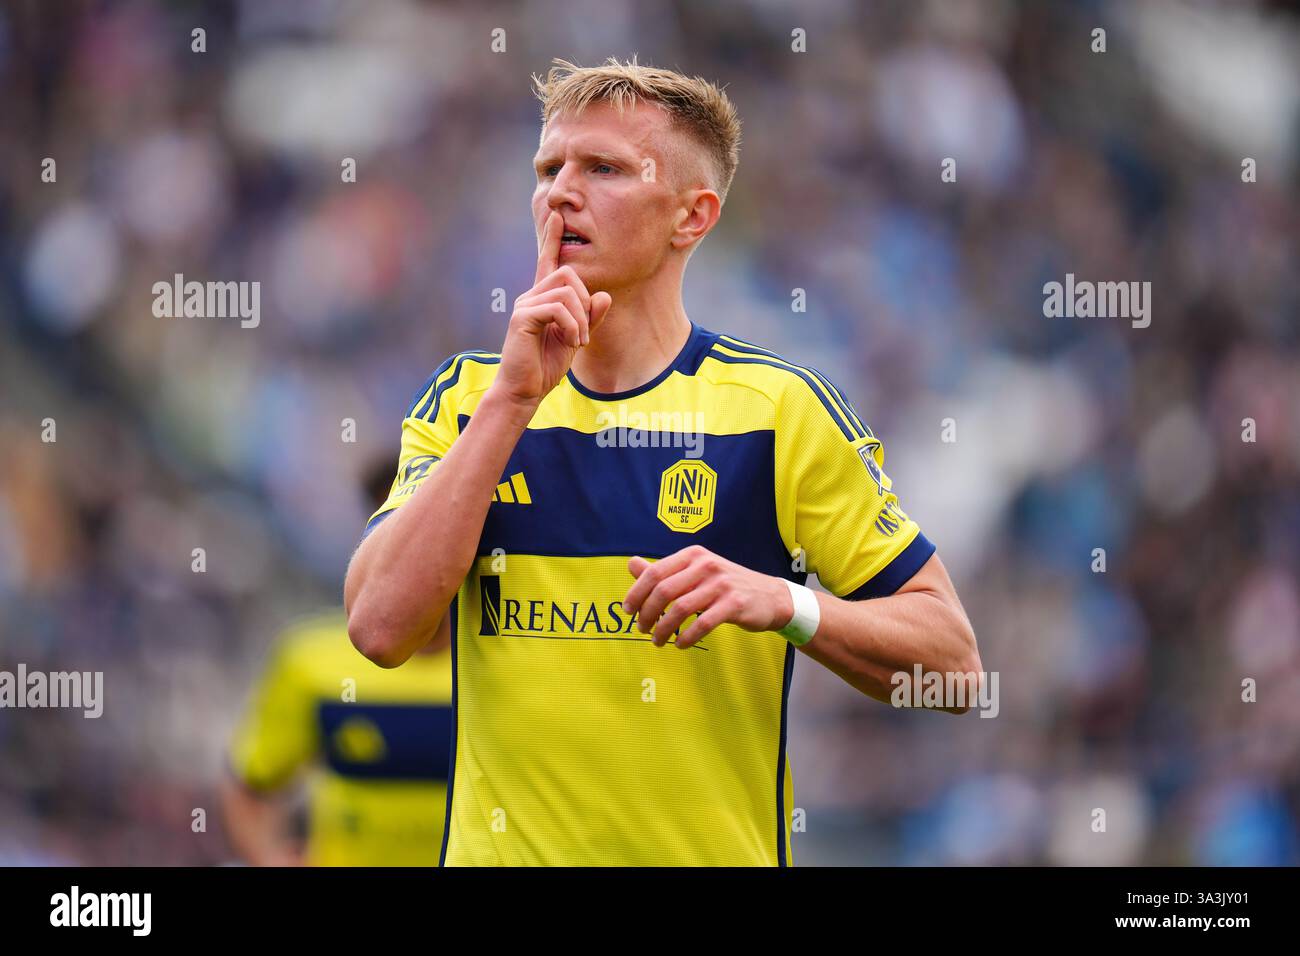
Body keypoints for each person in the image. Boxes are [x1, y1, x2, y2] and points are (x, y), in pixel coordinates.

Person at [344, 56, 980, 866]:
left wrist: (786, 602)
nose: (560, 193)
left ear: (693, 217)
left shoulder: (778, 413)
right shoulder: (472, 398)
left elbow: (954, 668)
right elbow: (379, 628)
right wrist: (512, 403)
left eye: (603, 168)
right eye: (548, 169)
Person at [221, 457, 453, 866]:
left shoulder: (513, 659)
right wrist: (269, 856)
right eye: (396, 525)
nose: (413, 547)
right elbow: (250, 786)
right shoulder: (312, 661)